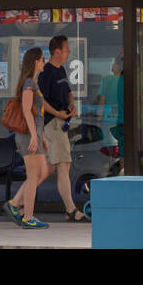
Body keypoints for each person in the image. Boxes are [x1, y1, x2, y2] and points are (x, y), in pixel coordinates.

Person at [37, 35, 86, 222]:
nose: (69, 53)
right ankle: (71, 210)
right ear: (57, 52)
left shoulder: (61, 70)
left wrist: (71, 105)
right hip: (53, 125)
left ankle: (17, 202)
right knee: (64, 165)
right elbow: (41, 101)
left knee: (47, 170)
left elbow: (68, 93)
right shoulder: (47, 72)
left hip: (61, 122)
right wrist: (58, 114)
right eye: (66, 49)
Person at [4, 47, 49, 229]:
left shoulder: (32, 82)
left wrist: (42, 136)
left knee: (42, 172)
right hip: (28, 136)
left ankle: (15, 204)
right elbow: (27, 111)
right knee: (33, 176)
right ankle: (28, 217)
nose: (44, 62)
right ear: (36, 62)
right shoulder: (29, 83)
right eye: (42, 59)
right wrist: (33, 136)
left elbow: (38, 114)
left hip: (34, 134)